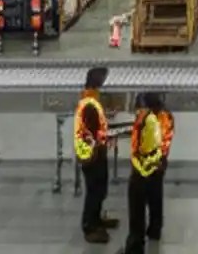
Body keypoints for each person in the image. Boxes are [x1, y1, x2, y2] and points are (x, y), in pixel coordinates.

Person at [75, 67, 117, 243]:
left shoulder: (92, 99)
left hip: (97, 151)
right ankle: (89, 227)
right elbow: (91, 131)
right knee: (95, 190)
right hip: (92, 155)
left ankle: (97, 219)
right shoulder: (90, 104)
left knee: (100, 188)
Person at [119, 92, 165, 254]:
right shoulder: (162, 118)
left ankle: (134, 247)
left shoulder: (147, 120)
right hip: (155, 166)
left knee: (137, 208)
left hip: (143, 170)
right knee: (154, 198)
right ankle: (154, 229)